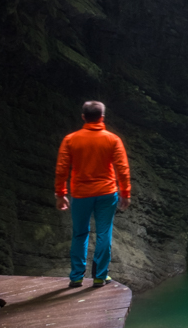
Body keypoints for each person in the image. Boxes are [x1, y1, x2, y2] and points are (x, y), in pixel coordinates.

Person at [54, 101, 131, 288]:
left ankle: (76, 277)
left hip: (81, 194)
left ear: (83, 117)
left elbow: (62, 169)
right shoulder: (112, 140)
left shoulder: (71, 139)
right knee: (104, 232)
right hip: (106, 192)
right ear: (102, 117)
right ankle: (100, 276)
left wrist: (60, 193)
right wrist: (125, 192)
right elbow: (122, 169)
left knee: (80, 234)